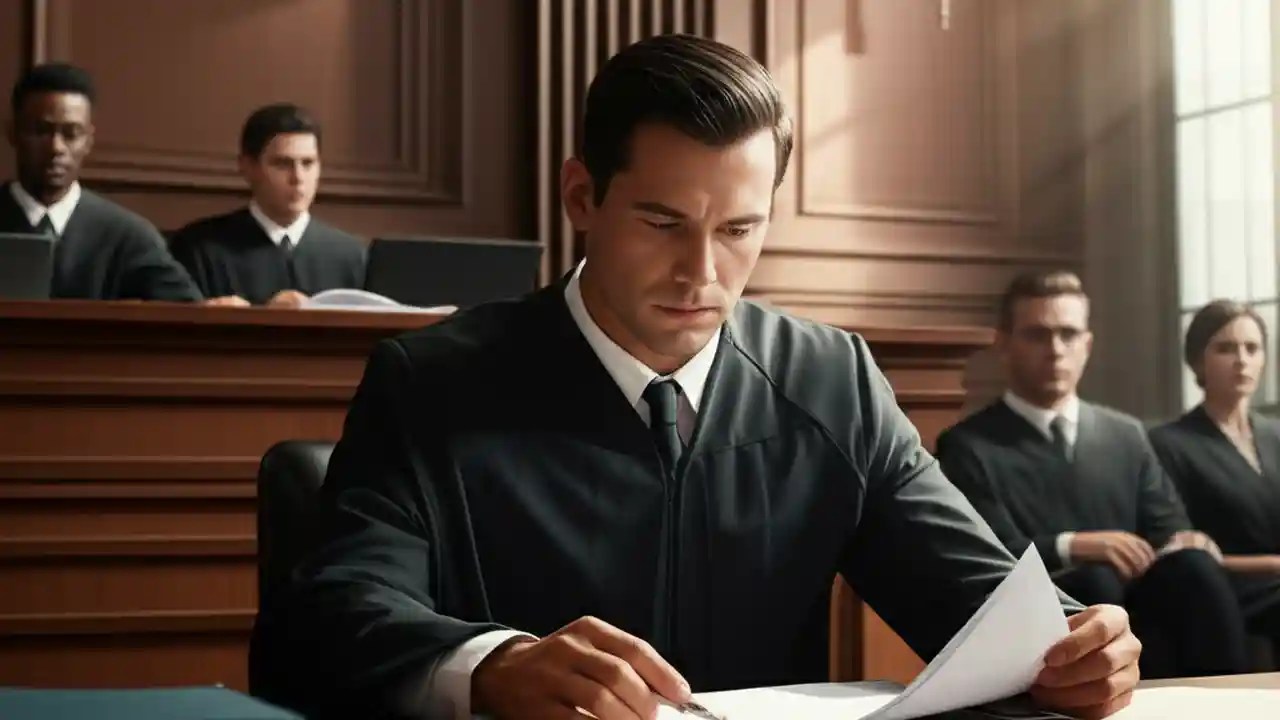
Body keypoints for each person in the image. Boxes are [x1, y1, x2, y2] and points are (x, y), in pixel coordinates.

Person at [251, 36, 1140, 720]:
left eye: (738, 230)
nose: (702, 274)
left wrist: (1075, 644)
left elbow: (980, 601)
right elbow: (332, 618)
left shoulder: (833, 382)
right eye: (663, 222)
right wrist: (492, 666)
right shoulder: (433, 381)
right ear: (581, 199)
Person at [936, 270, 1251, 679]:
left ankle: (1230, 700)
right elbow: (988, 553)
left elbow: (1166, 525)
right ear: (1004, 344)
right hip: (1044, 612)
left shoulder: (1125, 434)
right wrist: (1076, 545)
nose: (1055, 350)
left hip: (1139, 605)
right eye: (1037, 335)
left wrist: (1185, 539)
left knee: (1195, 568)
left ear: (1087, 344)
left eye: (1068, 334)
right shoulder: (968, 446)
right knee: (1096, 584)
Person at [0, 62, 201, 301]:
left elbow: (189, 315)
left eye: (71, 134)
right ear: (12, 133)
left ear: (88, 140)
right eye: (41, 131)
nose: (56, 147)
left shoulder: (129, 236)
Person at [1149, 300, 1280, 652]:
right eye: (1226, 348)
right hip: (1222, 589)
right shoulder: (1169, 444)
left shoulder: (1276, 436)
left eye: (1252, 348)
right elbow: (1182, 549)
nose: (1242, 360)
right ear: (1197, 361)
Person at [168, 103, 365, 308]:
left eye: (308, 163)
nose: (298, 177)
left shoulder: (351, 256)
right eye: (282, 164)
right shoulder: (200, 248)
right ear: (247, 167)